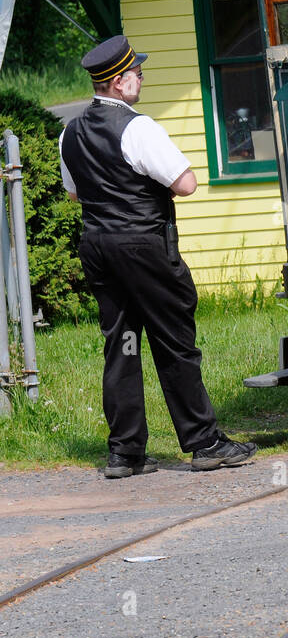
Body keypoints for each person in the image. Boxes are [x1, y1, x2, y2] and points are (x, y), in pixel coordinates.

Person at [59, 36, 257, 478]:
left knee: (122, 345)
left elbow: (75, 193)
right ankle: (204, 443)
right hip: (143, 246)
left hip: (97, 246)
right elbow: (184, 184)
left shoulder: (69, 131)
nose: (142, 79)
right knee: (173, 343)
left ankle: (124, 454)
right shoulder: (138, 127)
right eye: (136, 74)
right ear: (117, 83)